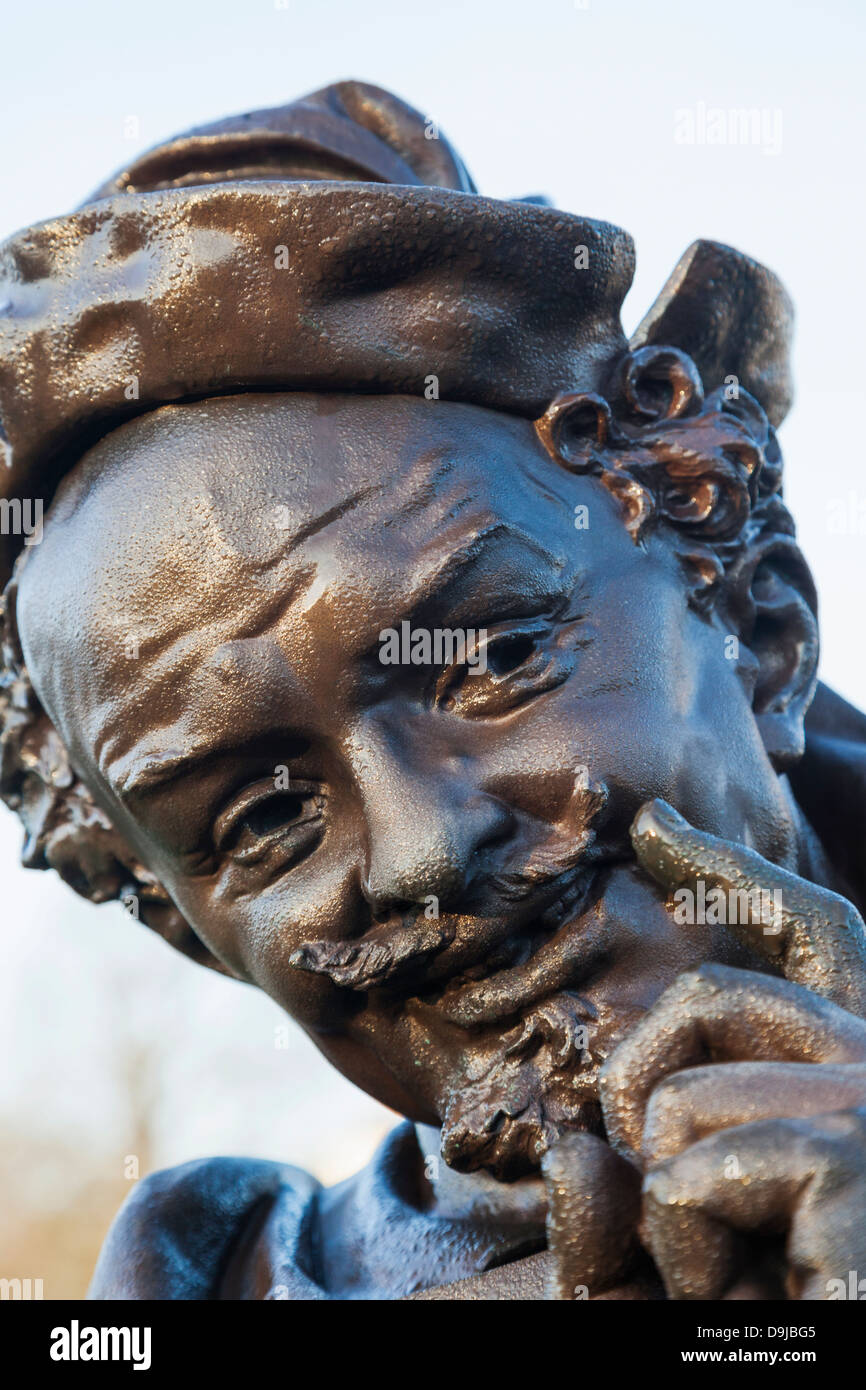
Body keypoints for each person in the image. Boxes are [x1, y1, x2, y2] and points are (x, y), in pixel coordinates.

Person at [2, 81, 866, 1301]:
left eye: (495, 662)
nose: (422, 850)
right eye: (260, 819)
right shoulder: (215, 1283)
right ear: (183, 926)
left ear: (756, 630)